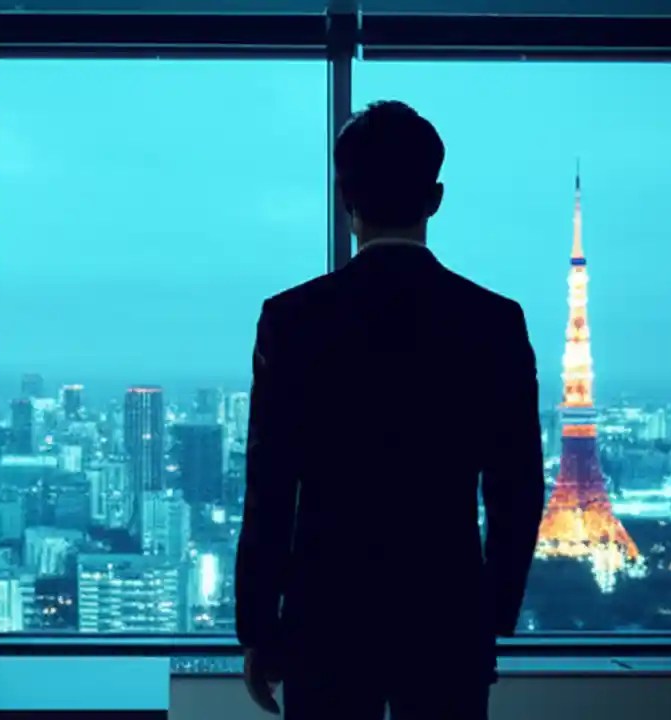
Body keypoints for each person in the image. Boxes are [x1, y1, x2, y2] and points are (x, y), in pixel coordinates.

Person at [235, 100, 546, 720]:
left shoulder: (293, 320)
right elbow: (516, 488)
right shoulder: (492, 322)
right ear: (435, 198)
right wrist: (490, 617)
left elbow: (270, 487)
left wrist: (259, 630)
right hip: (446, 609)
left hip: (326, 611)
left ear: (345, 197)